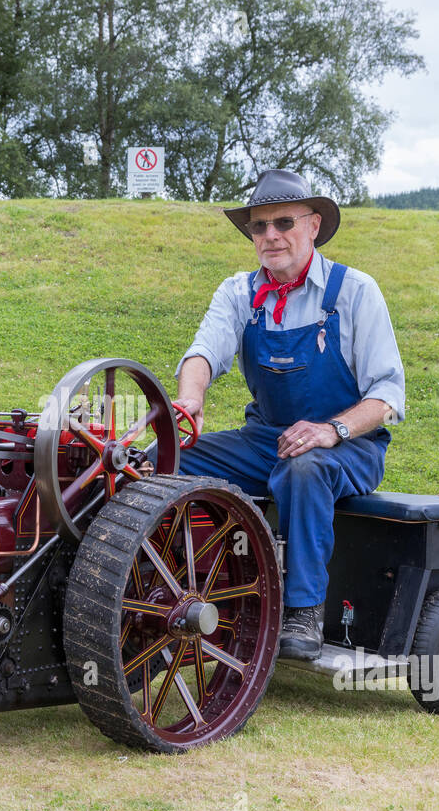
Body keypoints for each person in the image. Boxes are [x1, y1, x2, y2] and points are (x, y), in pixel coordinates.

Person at [173, 169, 406, 661]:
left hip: (349, 445)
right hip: (266, 441)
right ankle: (178, 584)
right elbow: (203, 352)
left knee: (303, 468)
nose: (270, 236)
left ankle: (302, 612)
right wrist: (190, 398)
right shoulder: (238, 292)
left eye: (283, 222)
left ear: (314, 225)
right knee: (162, 458)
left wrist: (331, 430)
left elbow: (387, 395)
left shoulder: (355, 291)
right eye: (259, 227)